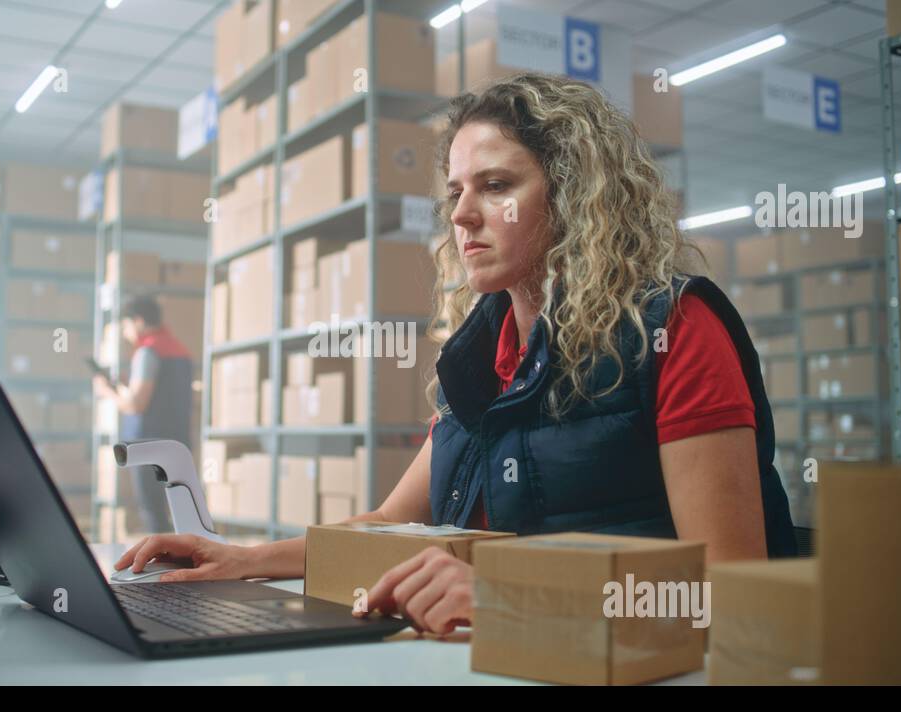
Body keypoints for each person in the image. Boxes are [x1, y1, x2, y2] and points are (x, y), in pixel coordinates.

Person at [114, 73, 796, 635]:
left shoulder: (674, 327)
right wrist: (242, 559)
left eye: (496, 186)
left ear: (574, 192)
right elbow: (389, 523)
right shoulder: (480, 361)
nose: (463, 214)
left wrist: (507, 596)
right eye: (456, 192)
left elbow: (730, 591)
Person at [93, 294, 193, 535]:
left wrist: (107, 392)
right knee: (180, 509)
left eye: (126, 326)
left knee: (153, 511)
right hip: (178, 442)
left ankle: (163, 568)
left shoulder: (148, 352)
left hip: (149, 444)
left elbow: (137, 404)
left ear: (138, 321)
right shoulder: (179, 350)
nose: (126, 333)